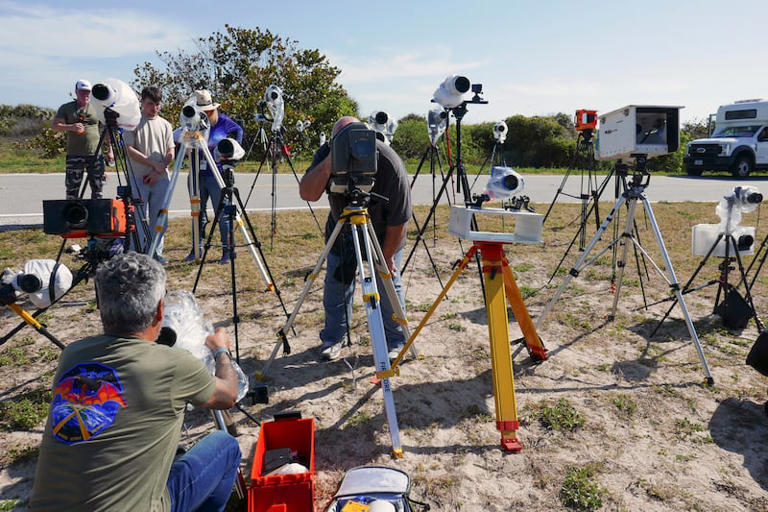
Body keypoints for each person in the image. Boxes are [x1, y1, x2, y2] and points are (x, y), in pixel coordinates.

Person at [28, 252, 241, 512]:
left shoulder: (72, 354)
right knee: (225, 446)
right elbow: (228, 395)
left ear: (101, 304)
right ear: (160, 309)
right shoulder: (174, 364)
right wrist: (221, 351)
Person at [299, 116, 412, 361]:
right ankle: (333, 338)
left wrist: (387, 257)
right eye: (343, 141)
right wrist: (330, 161)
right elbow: (307, 193)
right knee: (337, 283)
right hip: (342, 227)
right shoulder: (329, 152)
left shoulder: (388, 161)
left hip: (383, 232)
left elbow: (399, 221)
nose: (351, 147)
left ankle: (396, 340)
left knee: (387, 281)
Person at [183, 89, 243, 265]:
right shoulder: (194, 122)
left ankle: (228, 250)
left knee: (224, 213)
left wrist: (232, 151)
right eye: (203, 111)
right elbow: (185, 141)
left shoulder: (224, 123)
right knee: (197, 213)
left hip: (216, 173)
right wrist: (188, 147)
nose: (207, 114)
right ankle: (196, 249)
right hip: (197, 173)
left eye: (209, 111)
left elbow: (238, 131)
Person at [124, 86, 175, 264]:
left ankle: (155, 252)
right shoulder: (133, 122)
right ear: (143, 102)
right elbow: (129, 150)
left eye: (157, 104)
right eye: (150, 104)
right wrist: (153, 164)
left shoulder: (165, 124)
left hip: (160, 178)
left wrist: (159, 169)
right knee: (137, 218)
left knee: (160, 217)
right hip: (139, 177)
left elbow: (171, 150)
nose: (154, 108)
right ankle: (136, 254)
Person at [51, 79, 114, 199]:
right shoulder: (67, 108)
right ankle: (74, 215)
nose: (85, 95)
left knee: (98, 189)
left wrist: (110, 150)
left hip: (95, 155)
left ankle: (96, 216)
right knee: (72, 189)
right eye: (82, 92)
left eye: (87, 92)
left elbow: (106, 130)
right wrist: (70, 127)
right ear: (76, 92)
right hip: (75, 154)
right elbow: (55, 126)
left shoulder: (97, 108)